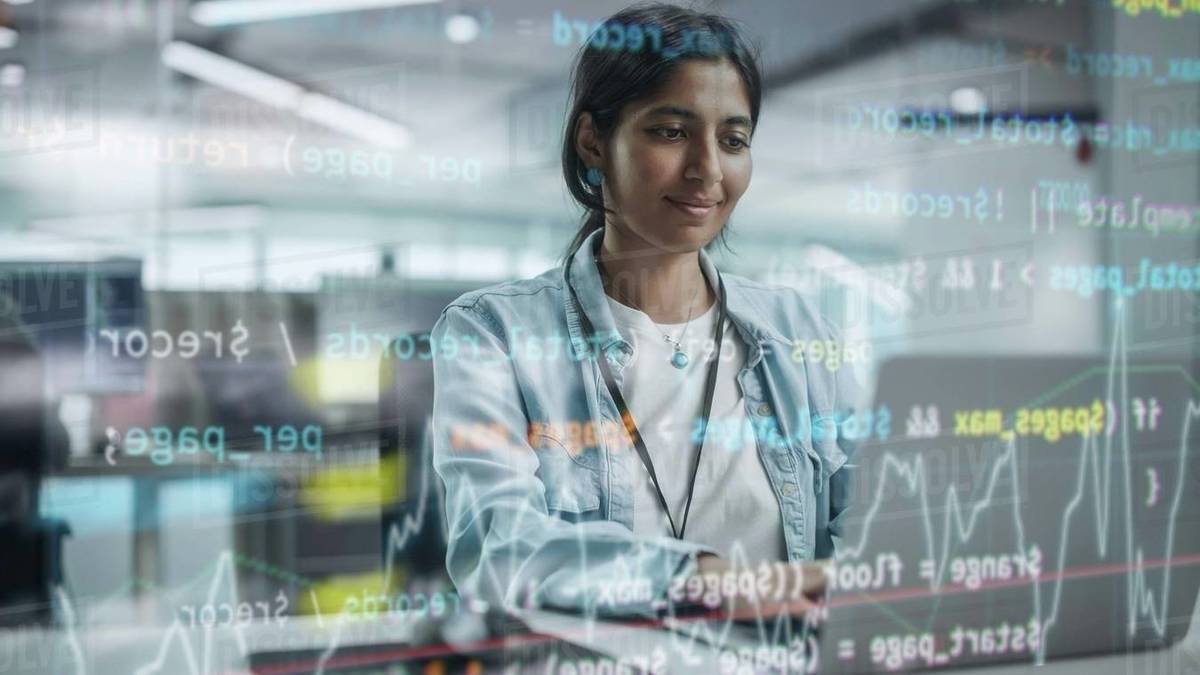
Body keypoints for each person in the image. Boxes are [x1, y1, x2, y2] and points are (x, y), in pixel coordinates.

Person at [431, 2, 860, 619]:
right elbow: (500, 549)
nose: (708, 170)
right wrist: (704, 580)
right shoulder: (494, 335)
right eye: (671, 131)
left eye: (732, 140)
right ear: (593, 141)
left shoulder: (798, 331)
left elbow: (872, 525)